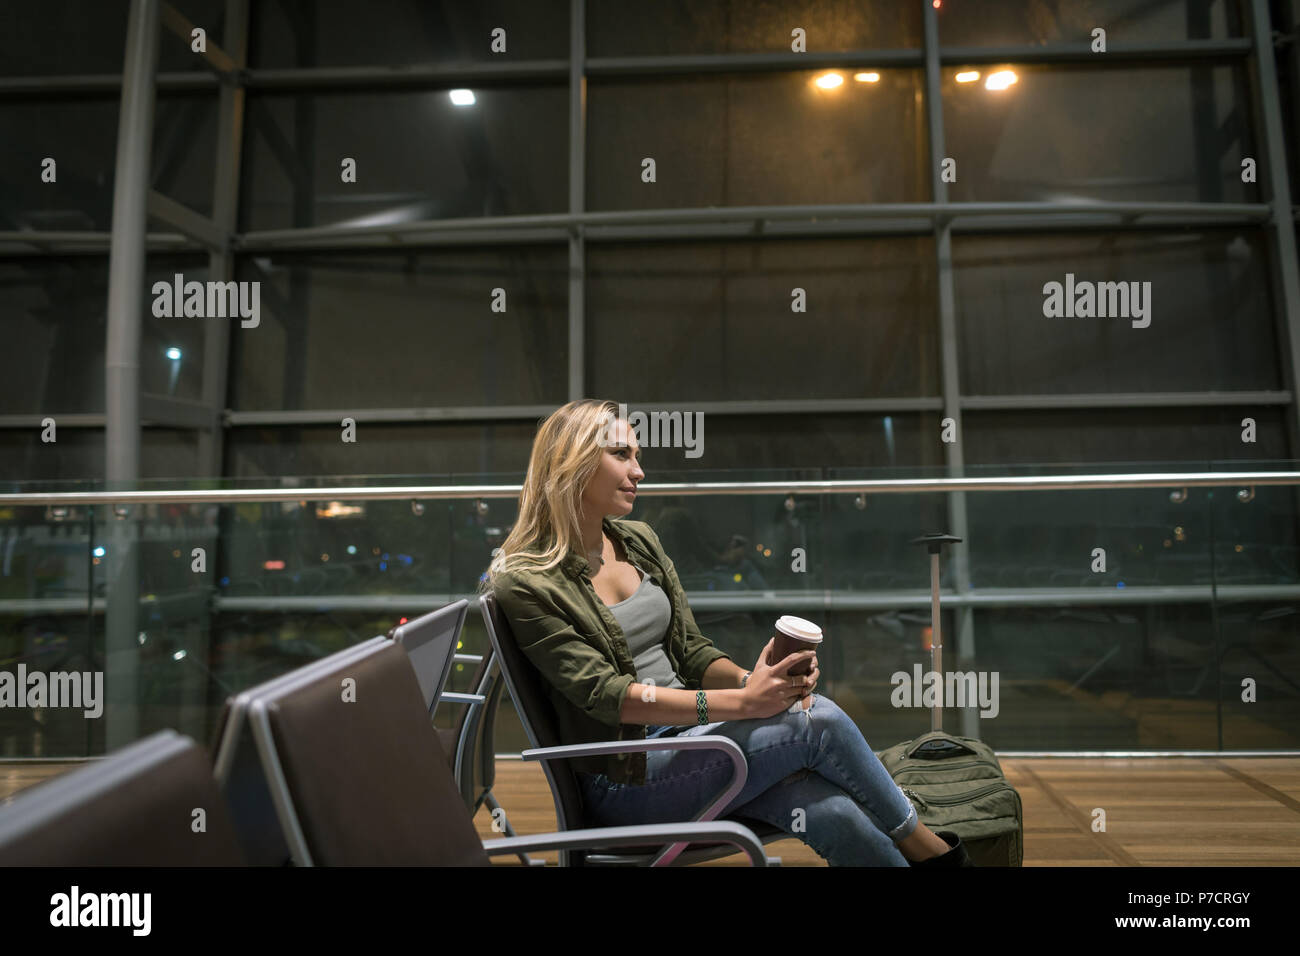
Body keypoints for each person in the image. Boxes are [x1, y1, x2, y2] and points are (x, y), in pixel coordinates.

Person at [479, 399, 973, 866]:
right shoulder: (526, 582)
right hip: (628, 780)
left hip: (697, 745)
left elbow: (691, 652)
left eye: (639, 455)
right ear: (574, 463)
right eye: (622, 454)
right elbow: (609, 696)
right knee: (815, 721)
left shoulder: (636, 541)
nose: (639, 471)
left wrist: (757, 683)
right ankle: (932, 852)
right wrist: (744, 705)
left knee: (832, 810)